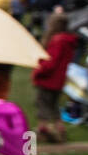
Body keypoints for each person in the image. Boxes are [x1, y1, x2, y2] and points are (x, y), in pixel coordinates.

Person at [32, 12, 77, 143]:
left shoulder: (57, 41)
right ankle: (60, 130)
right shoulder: (69, 40)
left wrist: (38, 71)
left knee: (43, 106)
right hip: (59, 80)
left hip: (48, 79)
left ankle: (43, 130)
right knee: (54, 106)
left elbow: (51, 62)